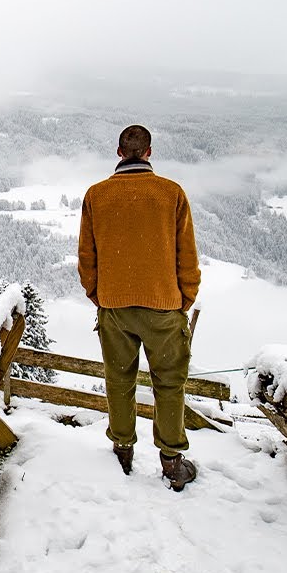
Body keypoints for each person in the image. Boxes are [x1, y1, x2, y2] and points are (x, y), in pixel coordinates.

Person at [77, 124, 201, 491]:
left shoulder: (96, 196)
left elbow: (87, 256)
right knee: (169, 384)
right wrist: (184, 298)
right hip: (164, 307)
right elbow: (187, 256)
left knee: (119, 381)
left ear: (119, 153)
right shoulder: (171, 193)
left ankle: (122, 451)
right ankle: (171, 462)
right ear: (149, 153)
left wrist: (98, 294)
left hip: (114, 307)